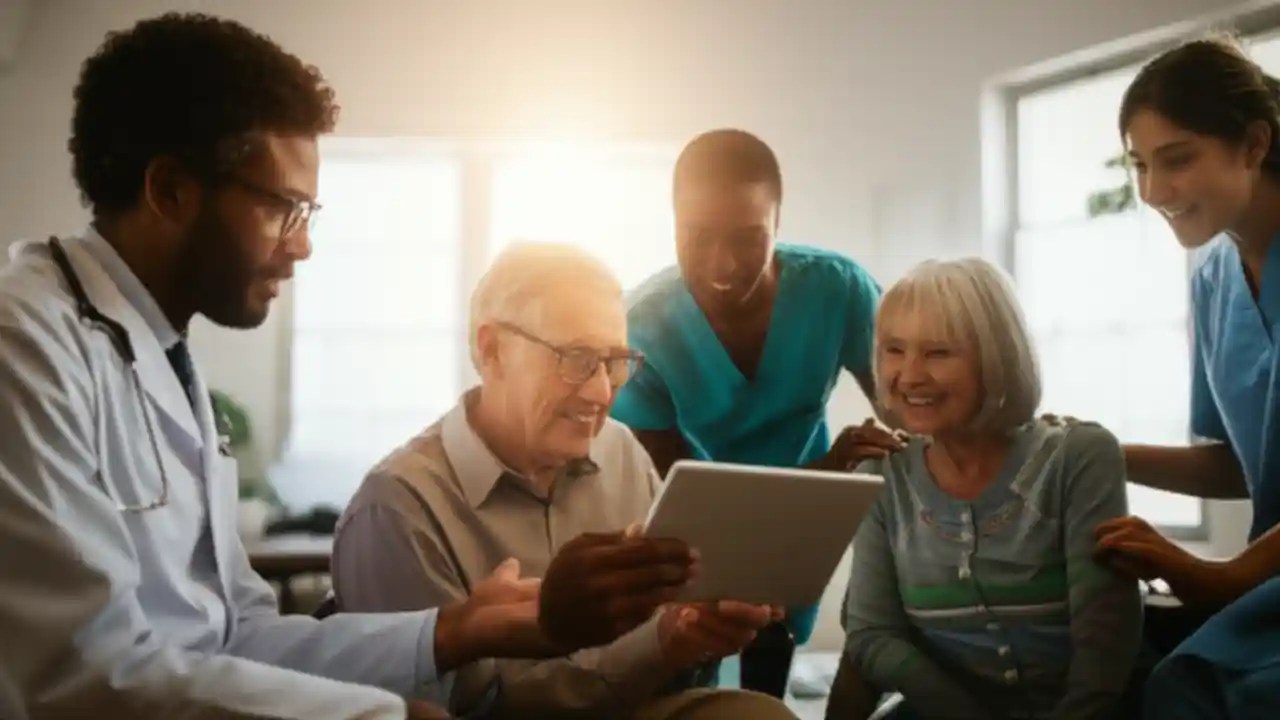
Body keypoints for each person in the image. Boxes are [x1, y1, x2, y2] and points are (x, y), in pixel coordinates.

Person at [0, 14, 695, 719]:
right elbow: (82, 677)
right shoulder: (23, 346)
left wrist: (462, 628)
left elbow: (240, 637)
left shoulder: (166, 363)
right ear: (171, 190)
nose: (301, 248)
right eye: (284, 209)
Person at [331, 242, 799, 720]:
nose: (601, 393)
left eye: (615, 361)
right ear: (491, 351)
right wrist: (658, 645)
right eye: (576, 358)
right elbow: (464, 709)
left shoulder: (620, 452)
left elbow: (672, 641)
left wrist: (700, 631)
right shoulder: (395, 510)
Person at [611, 128, 904, 696]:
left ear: (778, 221)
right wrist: (833, 467)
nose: (721, 264)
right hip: (698, 532)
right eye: (696, 237)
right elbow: (673, 499)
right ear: (671, 221)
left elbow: (908, 413)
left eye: (748, 238)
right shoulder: (640, 330)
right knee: (691, 669)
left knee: (770, 665)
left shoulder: (838, 291)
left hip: (802, 531)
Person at [842, 258, 1141, 719]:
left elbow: (1105, 636)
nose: (910, 375)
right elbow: (872, 635)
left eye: (938, 353)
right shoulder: (882, 476)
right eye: (894, 350)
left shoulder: (1080, 456)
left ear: (996, 357)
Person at [1096, 35, 1280, 719]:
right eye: (1139, 165)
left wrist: (1220, 577)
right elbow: (1240, 467)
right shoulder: (1213, 280)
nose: (1152, 191)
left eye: (1176, 160)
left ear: (1253, 145)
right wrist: (1100, 452)